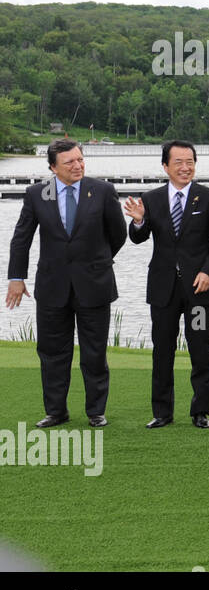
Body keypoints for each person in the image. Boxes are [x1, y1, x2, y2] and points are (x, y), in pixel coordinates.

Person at [6, 139, 127, 428]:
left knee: (94, 353)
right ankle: (56, 412)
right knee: (52, 353)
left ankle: (96, 412)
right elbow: (21, 238)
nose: (77, 166)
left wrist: (98, 260)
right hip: (51, 287)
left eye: (80, 159)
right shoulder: (36, 194)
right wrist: (16, 278)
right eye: (69, 162)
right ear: (52, 167)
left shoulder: (102, 191)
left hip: (95, 284)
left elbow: (118, 234)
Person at [123, 141, 209, 429]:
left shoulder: (208, 197)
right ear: (165, 166)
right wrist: (138, 222)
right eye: (179, 162)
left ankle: (200, 411)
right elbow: (139, 237)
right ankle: (162, 412)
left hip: (200, 291)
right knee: (162, 350)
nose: (186, 167)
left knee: (200, 349)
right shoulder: (152, 198)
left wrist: (208, 272)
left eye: (190, 161)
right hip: (163, 289)